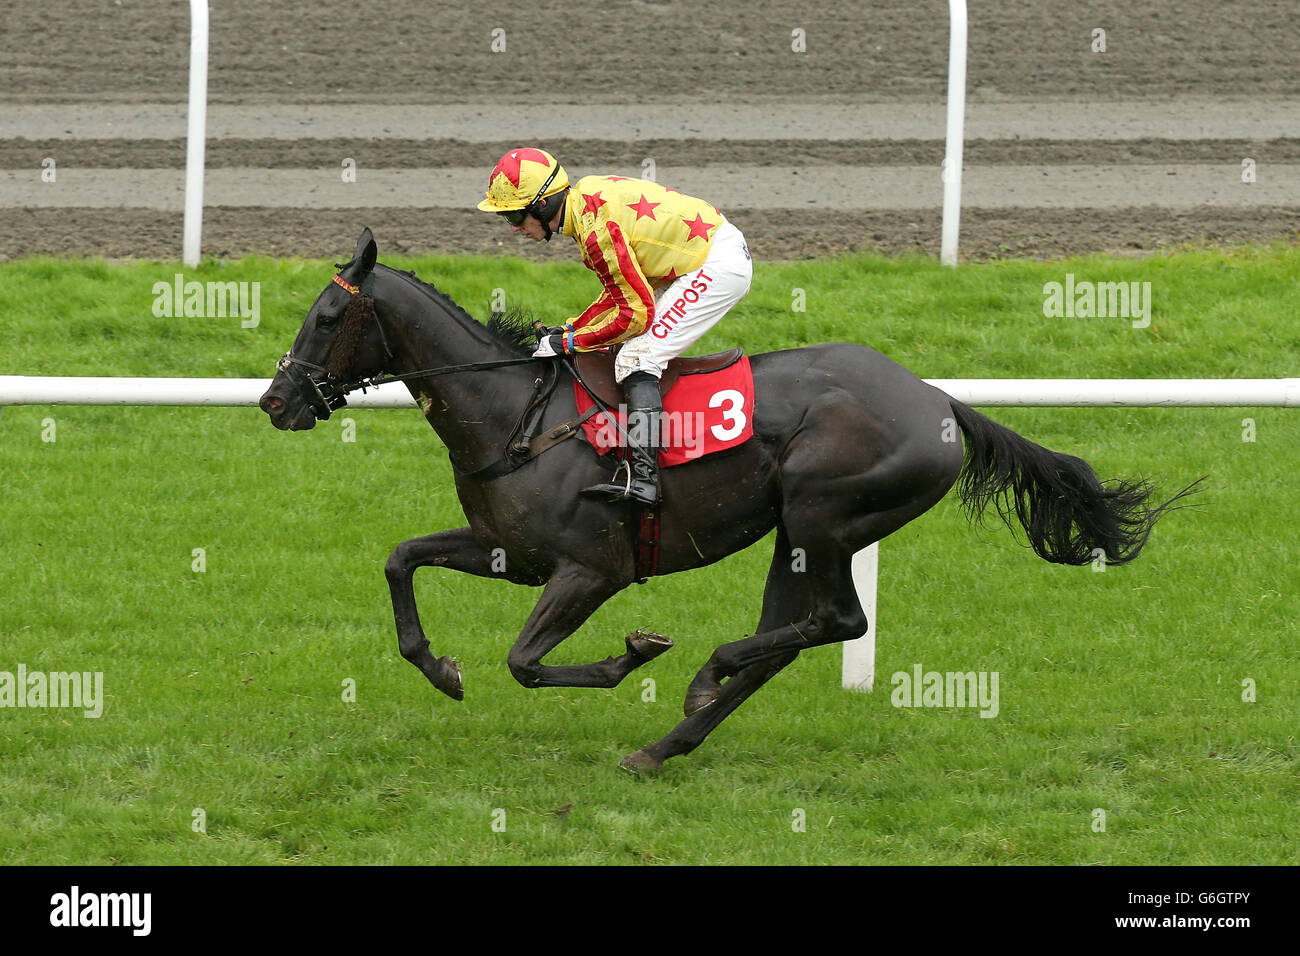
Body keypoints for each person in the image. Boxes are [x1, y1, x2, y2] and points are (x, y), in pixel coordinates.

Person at [476, 147, 753, 507]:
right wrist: (570, 330)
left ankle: (644, 480)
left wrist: (571, 344)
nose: (513, 228)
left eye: (514, 215)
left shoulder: (595, 231)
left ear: (543, 206)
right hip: (699, 254)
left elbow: (635, 314)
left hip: (714, 265)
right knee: (623, 348)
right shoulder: (585, 206)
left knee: (637, 359)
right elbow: (621, 296)